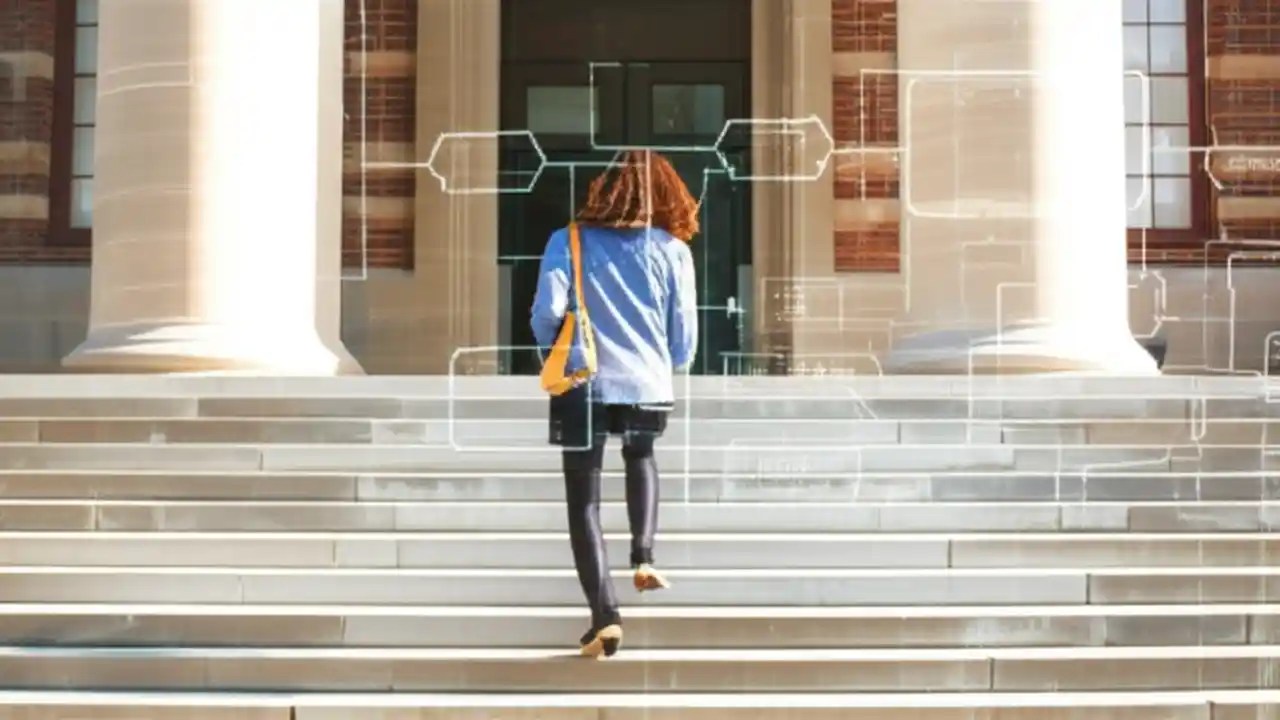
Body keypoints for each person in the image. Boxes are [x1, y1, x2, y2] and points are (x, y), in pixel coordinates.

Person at [530, 149, 699, 659]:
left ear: (603, 188)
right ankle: (643, 555)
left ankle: (605, 617)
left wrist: (556, 350)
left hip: (584, 382)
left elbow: (546, 312)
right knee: (641, 455)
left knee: (584, 501)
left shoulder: (567, 240)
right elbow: (684, 338)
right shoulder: (673, 250)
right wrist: (665, 361)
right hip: (648, 383)